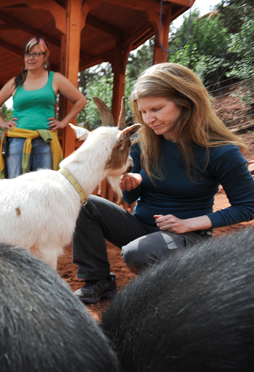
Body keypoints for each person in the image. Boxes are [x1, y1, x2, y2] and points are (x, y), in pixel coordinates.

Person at [72, 62, 254, 303]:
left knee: (139, 252)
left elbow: (248, 205)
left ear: (185, 102)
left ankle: (185, 283)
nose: (149, 119)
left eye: (157, 109)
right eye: (143, 112)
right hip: (142, 229)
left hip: (189, 236)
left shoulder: (220, 151)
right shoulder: (142, 143)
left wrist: (189, 224)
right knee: (83, 202)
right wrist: (132, 183)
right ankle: (98, 280)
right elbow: (129, 200)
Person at [0, 37, 87, 179]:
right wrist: (3, 123)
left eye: (36, 54)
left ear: (46, 56)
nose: (30, 58)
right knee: (15, 185)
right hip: (17, 141)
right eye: (28, 54)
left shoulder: (56, 79)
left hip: (45, 140)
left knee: (44, 184)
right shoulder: (15, 82)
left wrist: (63, 122)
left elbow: (81, 100)